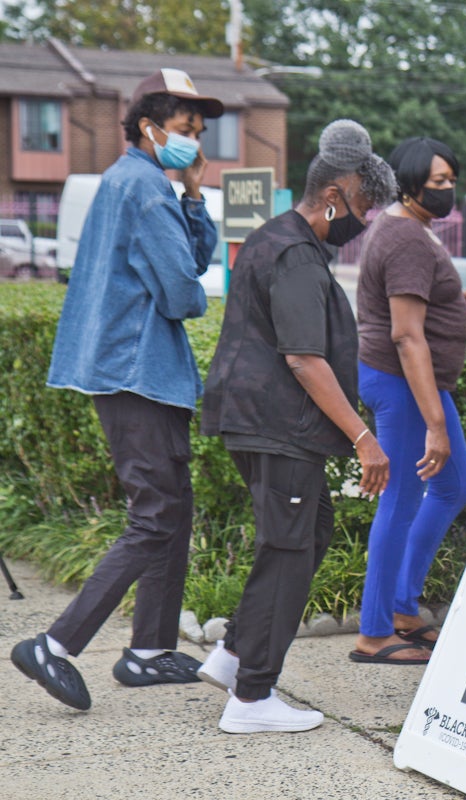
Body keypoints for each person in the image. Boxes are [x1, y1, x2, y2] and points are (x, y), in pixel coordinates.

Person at [10, 68, 225, 711]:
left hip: (138, 373)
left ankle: (149, 650)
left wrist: (191, 195)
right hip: (139, 373)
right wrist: (184, 202)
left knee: (172, 508)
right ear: (148, 127)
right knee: (156, 513)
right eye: (186, 131)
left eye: (200, 132)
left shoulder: (131, 181)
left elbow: (191, 263)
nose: (195, 143)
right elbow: (187, 292)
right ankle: (54, 645)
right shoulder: (143, 190)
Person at [195, 120, 395, 733]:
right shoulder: (297, 256)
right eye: (363, 205)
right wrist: (365, 440)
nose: (364, 220)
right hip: (276, 423)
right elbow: (304, 358)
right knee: (288, 548)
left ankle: (233, 655)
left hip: (262, 420)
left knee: (306, 535)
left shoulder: (274, 238)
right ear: (335, 194)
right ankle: (253, 698)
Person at [351, 137, 466, 664]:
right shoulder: (406, 237)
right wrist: (434, 423)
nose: (448, 189)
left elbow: (415, 303)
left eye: (452, 179)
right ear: (409, 184)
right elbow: (406, 336)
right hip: (401, 385)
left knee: (453, 486)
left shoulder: (410, 229)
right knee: (403, 498)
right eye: (437, 182)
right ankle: (374, 632)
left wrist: (456, 298)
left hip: (411, 386)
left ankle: (403, 609)